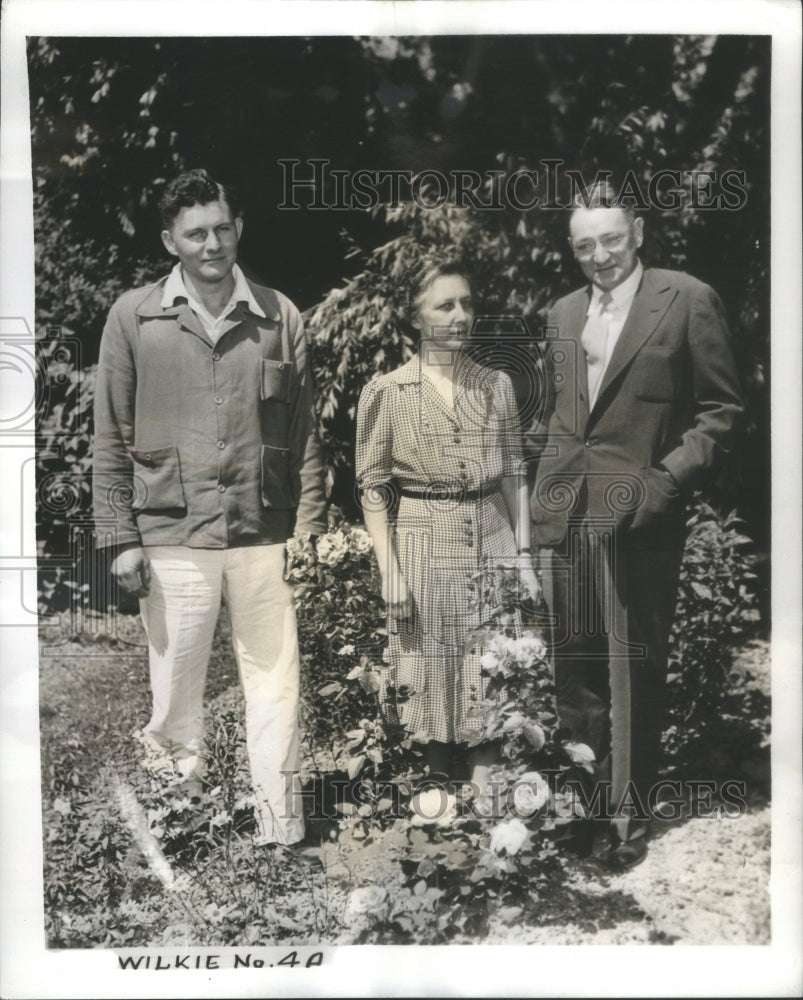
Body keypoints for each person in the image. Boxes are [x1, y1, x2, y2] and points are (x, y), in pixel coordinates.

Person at [92, 168, 327, 846]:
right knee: (174, 693)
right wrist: (120, 537)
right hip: (173, 532)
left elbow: (306, 436)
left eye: (223, 228)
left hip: (265, 533)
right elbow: (110, 433)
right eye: (195, 233)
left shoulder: (279, 316)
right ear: (171, 241)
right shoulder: (134, 318)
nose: (212, 244)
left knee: (276, 685)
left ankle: (280, 828)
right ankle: (178, 825)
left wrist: (308, 531)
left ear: (239, 227)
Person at [525, 181, 743, 869]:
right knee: (575, 673)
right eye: (585, 245)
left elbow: (721, 413)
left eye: (612, 239)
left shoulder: (686, 299)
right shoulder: (562, 313)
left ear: (638, 232)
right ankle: (582, 814)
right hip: (565, 518)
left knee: (632, 674)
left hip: (639, 521)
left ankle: (627, 821)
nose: (601, 256)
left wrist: (662, 484)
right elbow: (558, 417)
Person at [355, 253, 539, 801]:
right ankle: (435, 795)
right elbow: (372, 488)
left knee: (492, 661)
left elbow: (515, 475)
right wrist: (390, 572)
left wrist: (524, 557)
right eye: (444, 306)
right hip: (422, 539)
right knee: (430, 665)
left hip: (491, 533)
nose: (460, 316)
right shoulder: (387, 392)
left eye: (467, 303)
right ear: (415, 316)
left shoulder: (496, 385)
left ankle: (485, 796)